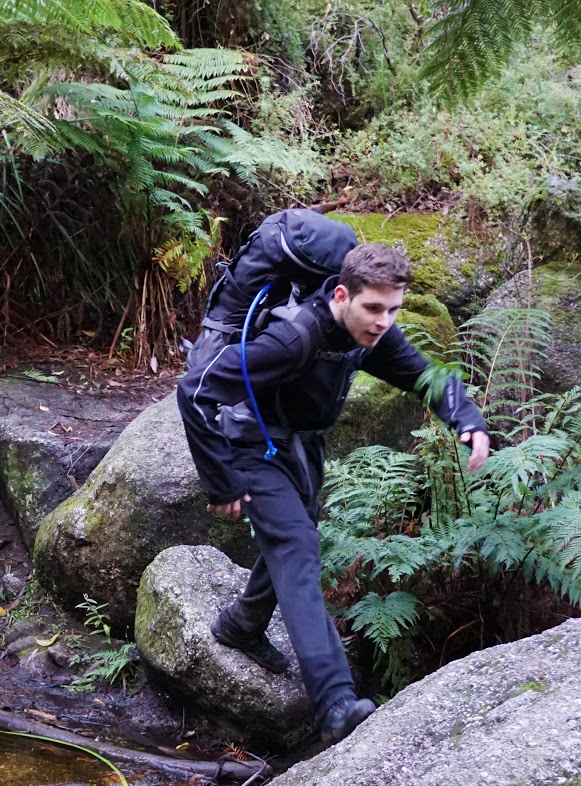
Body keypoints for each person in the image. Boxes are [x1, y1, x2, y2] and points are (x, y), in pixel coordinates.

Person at [176, 242, 491, 746]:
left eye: (393, 310)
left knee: (292, 542)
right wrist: (221, 479)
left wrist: (467, 417)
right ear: (342, 295)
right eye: (373, 308)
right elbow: (195, 389)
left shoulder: (371, 335)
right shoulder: (292, 338)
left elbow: (421, 373)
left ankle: (241, 625)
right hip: (252, 441)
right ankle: (336, 702)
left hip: (299, 446)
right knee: (297, 548)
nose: (384, 321)